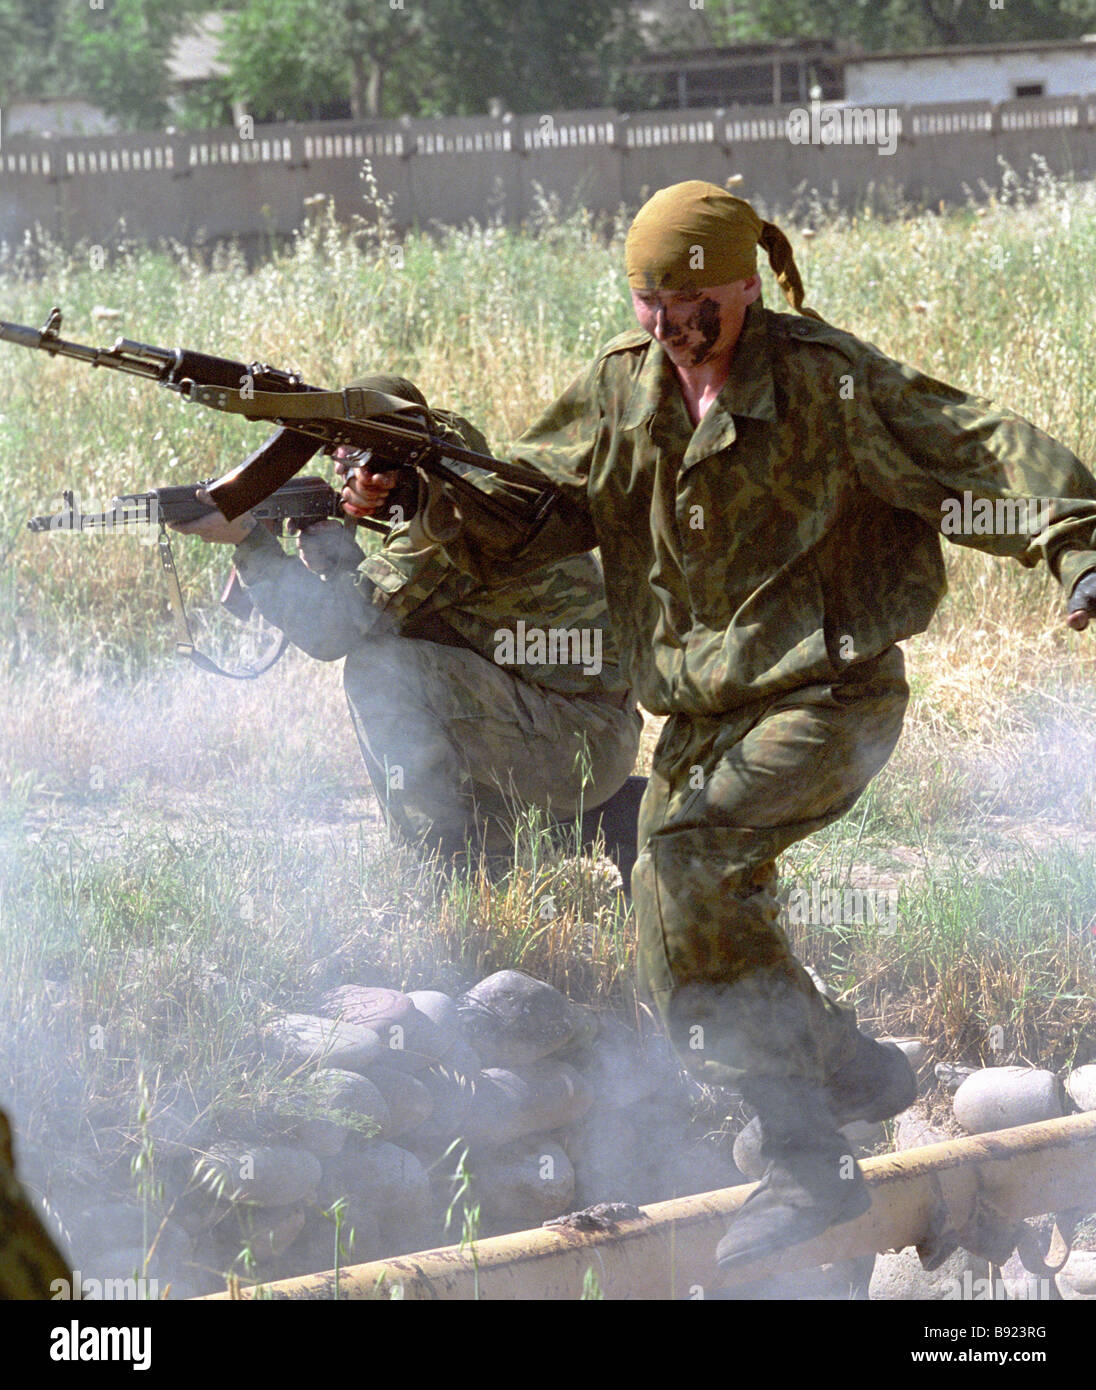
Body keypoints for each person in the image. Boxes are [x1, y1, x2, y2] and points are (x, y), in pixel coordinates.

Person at [340, 182, 1096, 1272]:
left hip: (825, 696)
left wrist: (1076, 541)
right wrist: (424, 489)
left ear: (751, 284)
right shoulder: (619, 389)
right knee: (666, 937)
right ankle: (850, 1067)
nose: (676, 329)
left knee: (690, 856)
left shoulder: (828, 383)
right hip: (695, 719)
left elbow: (975, 449)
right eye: (654, 304)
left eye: (700, 306)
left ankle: (805, 1157)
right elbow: (534, 507)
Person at [174, 375, 644, 877]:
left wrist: (249, 541)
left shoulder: (450, 519)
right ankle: (589, 822)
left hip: (580, 745)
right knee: (396, 653)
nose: (358, 475)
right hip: (576, 727)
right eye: (346, 457)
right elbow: (409, 613)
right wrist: (340, 561)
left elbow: (332, 633)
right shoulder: (458, 483)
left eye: (374, 461)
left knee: (380, 670)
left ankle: (440, 863)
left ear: (403, 460)